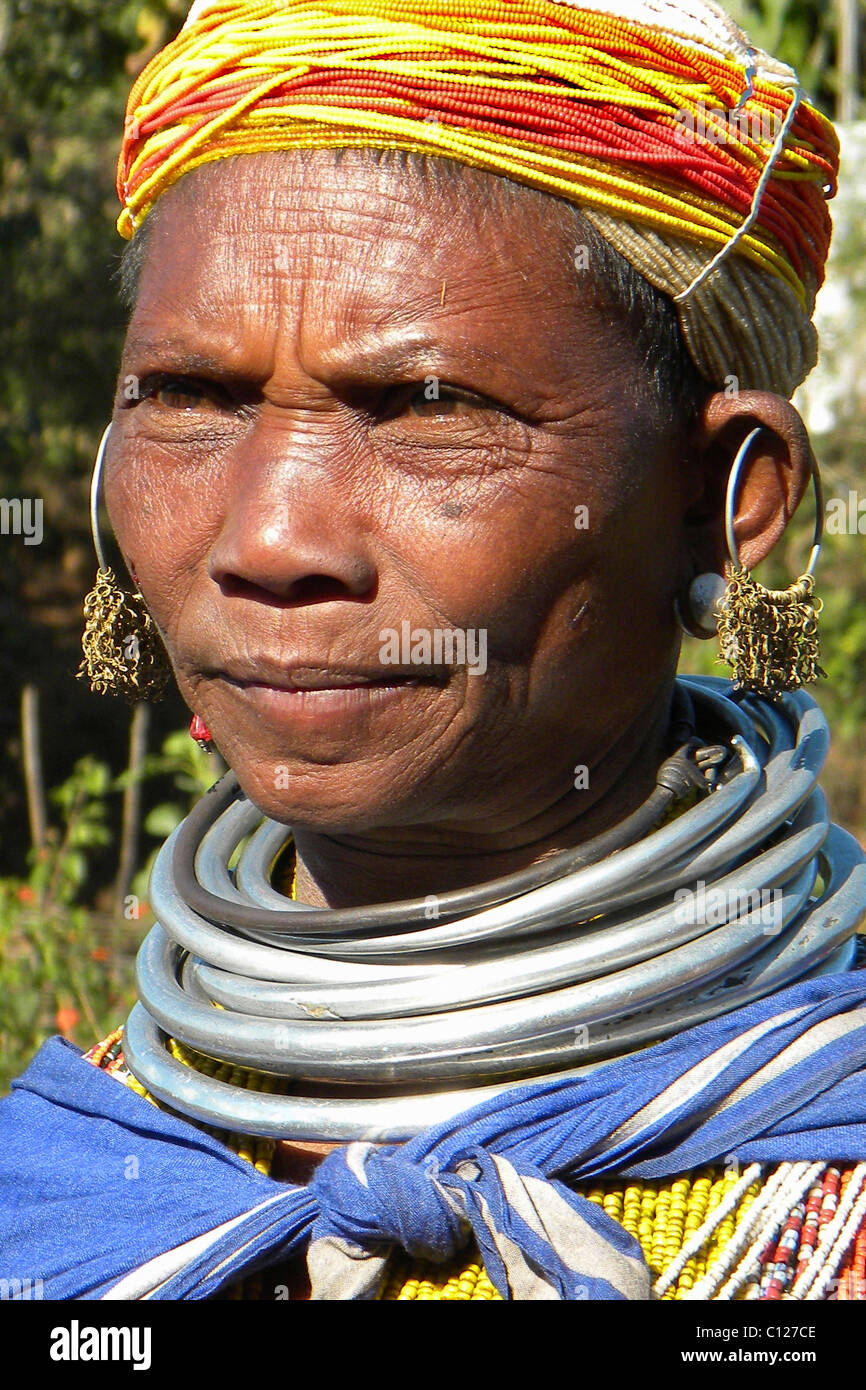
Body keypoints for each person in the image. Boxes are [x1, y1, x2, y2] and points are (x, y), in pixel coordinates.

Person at [2, 0, 866, 1302]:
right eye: (189, 396)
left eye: (426, 407)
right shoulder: (70, 1177)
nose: (272, 535)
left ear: (722, 491)